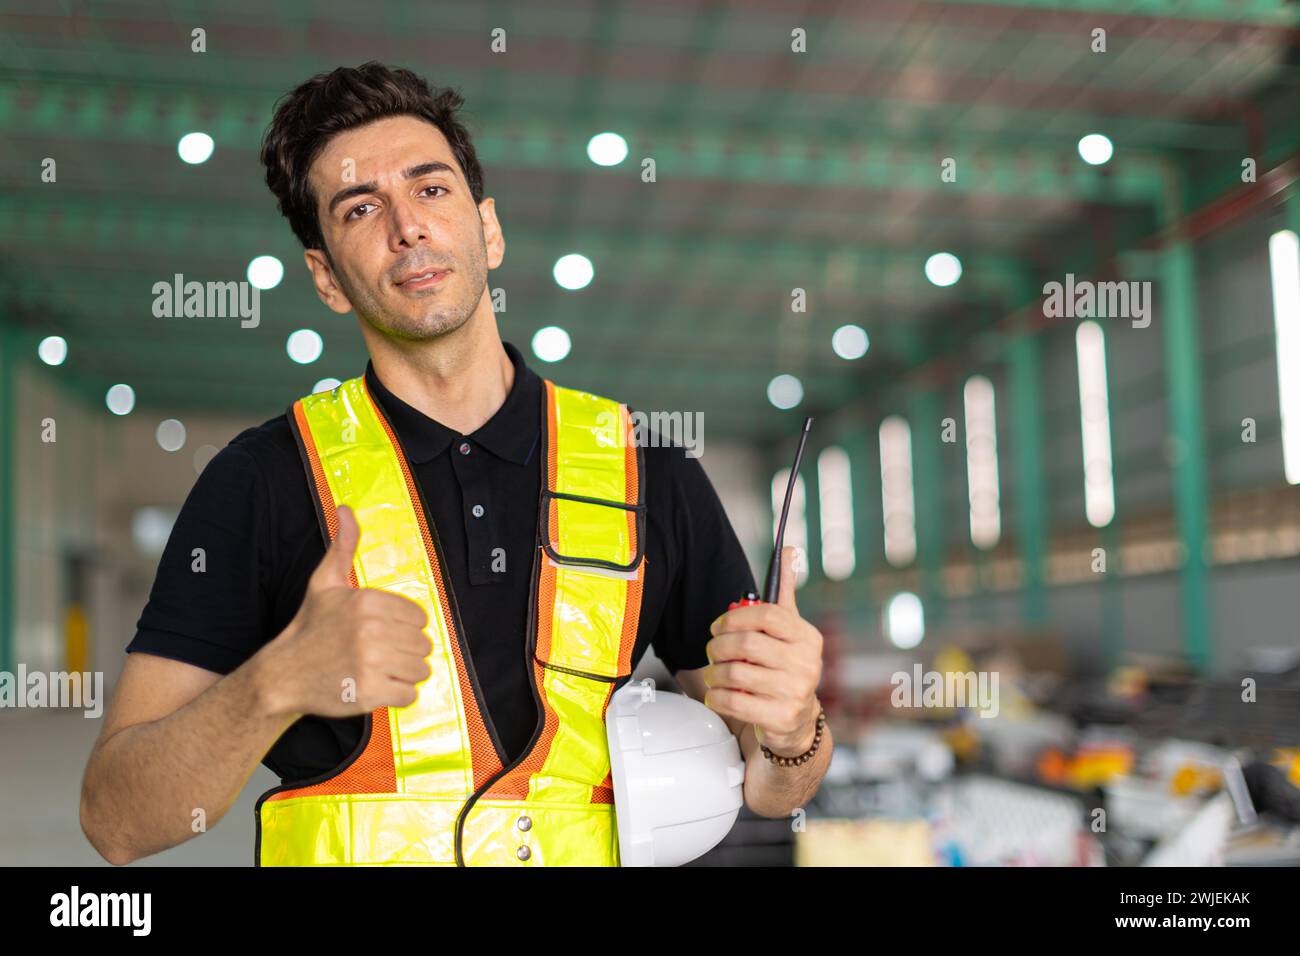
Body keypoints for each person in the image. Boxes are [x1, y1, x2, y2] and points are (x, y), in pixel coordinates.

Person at [80, 62, 830, 866]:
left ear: (489, 229)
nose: (407, 227)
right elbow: (118, 822)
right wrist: (274, 682)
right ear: (327, 278)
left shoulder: (648, 470)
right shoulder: (258, 482)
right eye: (361, 208)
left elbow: (774, 785)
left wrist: (792, 729)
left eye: (431, 189)